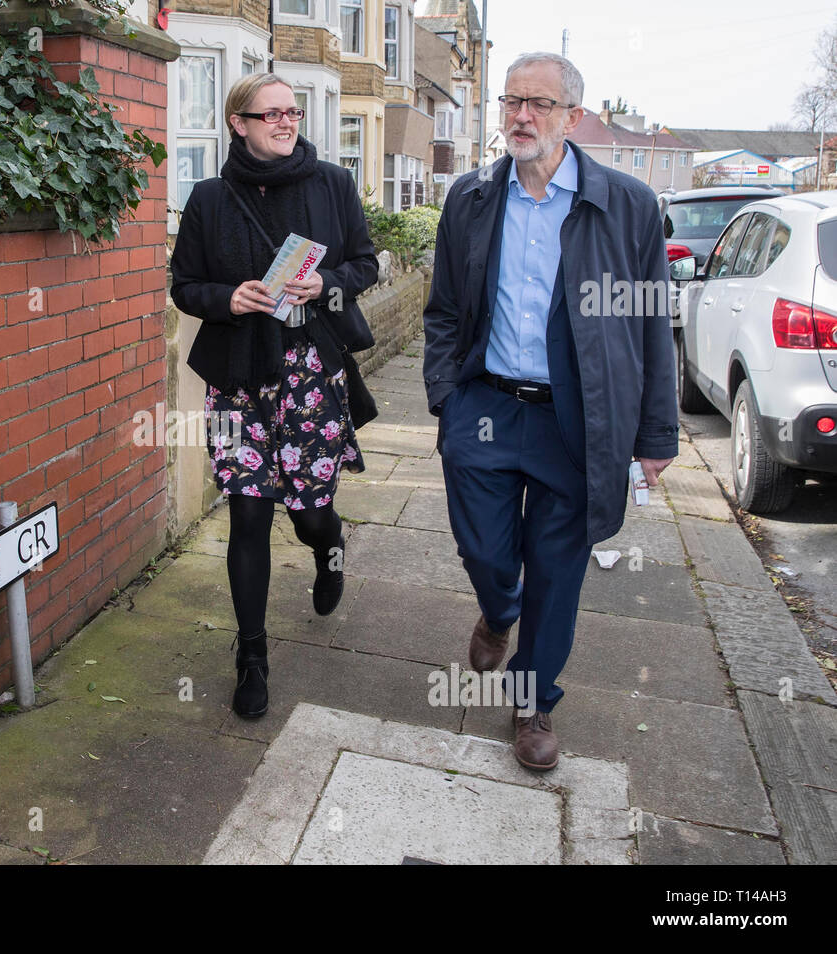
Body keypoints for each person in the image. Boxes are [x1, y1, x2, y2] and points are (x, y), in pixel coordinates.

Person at [423, 52, 678, 770]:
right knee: (485, 550)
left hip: (581, 420)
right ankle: (499, 608)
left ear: (572, 116)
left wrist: (655, 433)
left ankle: (533, 704)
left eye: (538, 104)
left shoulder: (626, 205)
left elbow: (652, 327)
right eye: (511, 102)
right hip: (486, 407)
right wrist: (445, 395)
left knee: (558, 568)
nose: (521, 117)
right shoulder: (471, 197)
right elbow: (443, 310)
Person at [169, 73, 379, 720]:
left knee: (308, 513)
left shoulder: (332, 185)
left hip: (312, 372)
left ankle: (329, 545)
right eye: (271, 115)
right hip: (238, 376)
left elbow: (366, 263)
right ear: (239, 123)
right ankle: (252, 656)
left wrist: (329, 286)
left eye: (292, 112)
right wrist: (227, 299)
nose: (286, 123)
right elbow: (185, 285)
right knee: (249, 514)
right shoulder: (210, 198)